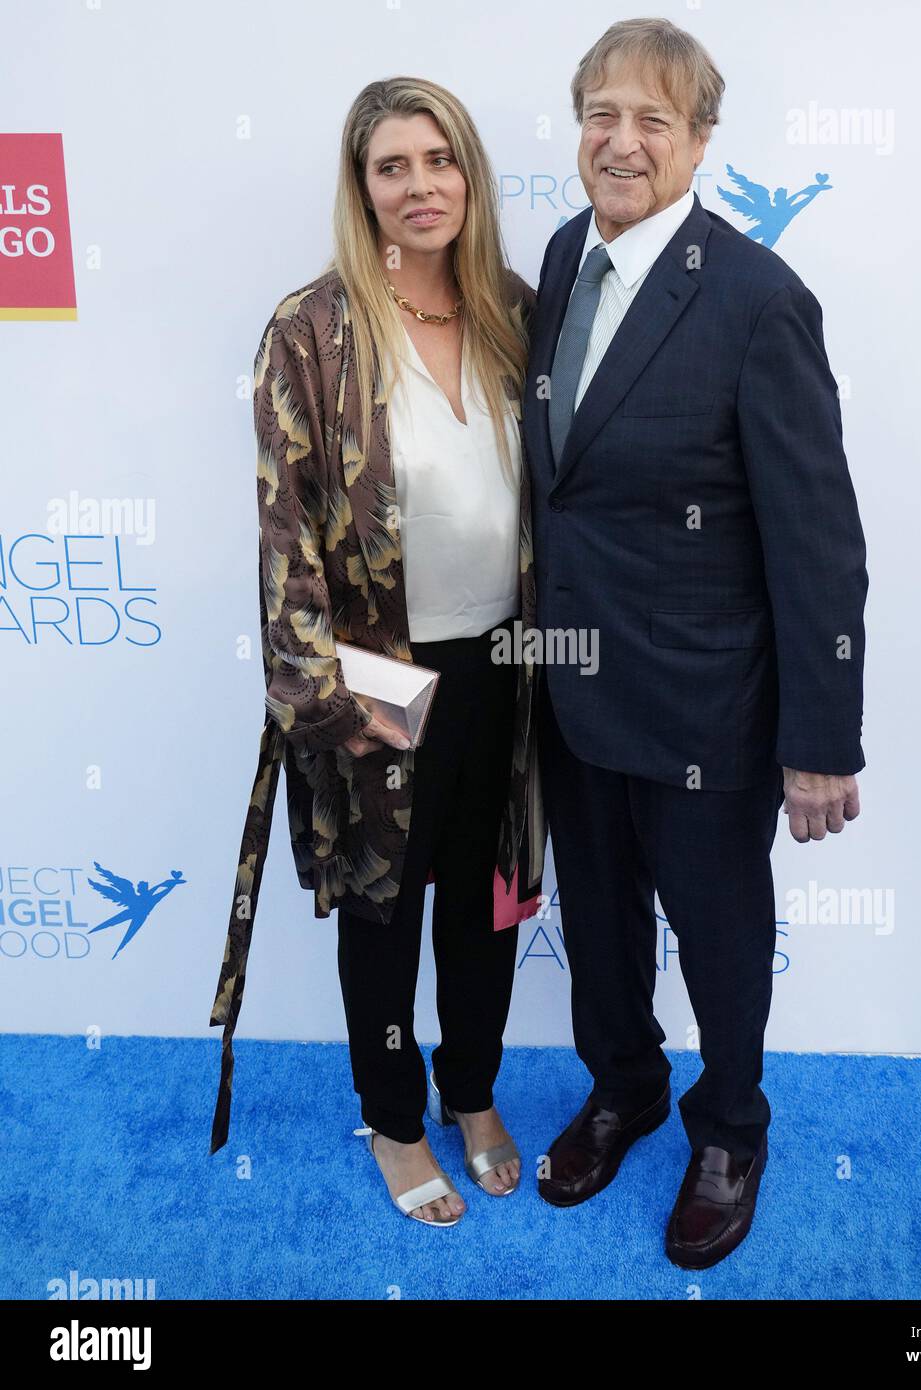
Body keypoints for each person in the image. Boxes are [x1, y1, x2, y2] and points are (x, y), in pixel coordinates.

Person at [524, 19, 868, 1268]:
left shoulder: (757, 301)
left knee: (717, 934)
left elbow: (817, 539)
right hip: (567, 689)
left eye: (651, 122)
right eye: (600, 116)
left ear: (701, 142)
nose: (620, 143)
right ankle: (623, 1086)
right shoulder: (564, 257)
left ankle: (728, 1126)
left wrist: (820, 740)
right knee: (599, 923)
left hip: (706, 706)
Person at [208, 77, 547, 1229]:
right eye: (391, 166)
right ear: (361, 188)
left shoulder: (513, 307)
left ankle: (474, 1093)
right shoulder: (311, 329)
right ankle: (396, 1119)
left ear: (470, 173)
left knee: (488, 905)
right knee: (385, 908)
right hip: (379, 675)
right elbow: (283, 526)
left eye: (438, 160)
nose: (419, 186)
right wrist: (317, 693)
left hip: (510, 663)